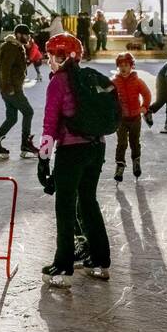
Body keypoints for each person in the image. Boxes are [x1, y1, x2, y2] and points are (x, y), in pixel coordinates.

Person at [38, 34, 111, 286]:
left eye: (50, 56)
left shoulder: (58, 82)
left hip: (71, 150)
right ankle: (101, 261)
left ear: (61, 56)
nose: (48, 62)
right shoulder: (88, 78)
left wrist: (43, 159)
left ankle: (62, 265)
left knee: (66, 206)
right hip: (97, 147)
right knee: (88, 201)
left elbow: (50, 123)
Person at [0, 24, 39, 159]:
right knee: (28, 112)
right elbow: (5, 69)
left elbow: (16, 67)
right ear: (18, 35)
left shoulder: (16, 47)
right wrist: (8, 88)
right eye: (26, 35)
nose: (29, 37)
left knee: (12, 118)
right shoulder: (11, 48)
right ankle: (26, 144)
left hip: (10, 88)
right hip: (11, 89)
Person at [111, 52, 151, 181]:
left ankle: (136, 161)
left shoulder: (137, 81)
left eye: (126, 65)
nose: (123, 68)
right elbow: (108, 97)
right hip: (121, 119)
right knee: (121, 143)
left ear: (131, 66)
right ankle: (120, 165)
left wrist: (144, 107)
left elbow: (147, 94)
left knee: (135, 142)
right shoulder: (114, 82)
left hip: (135, 118)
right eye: (121, 65)